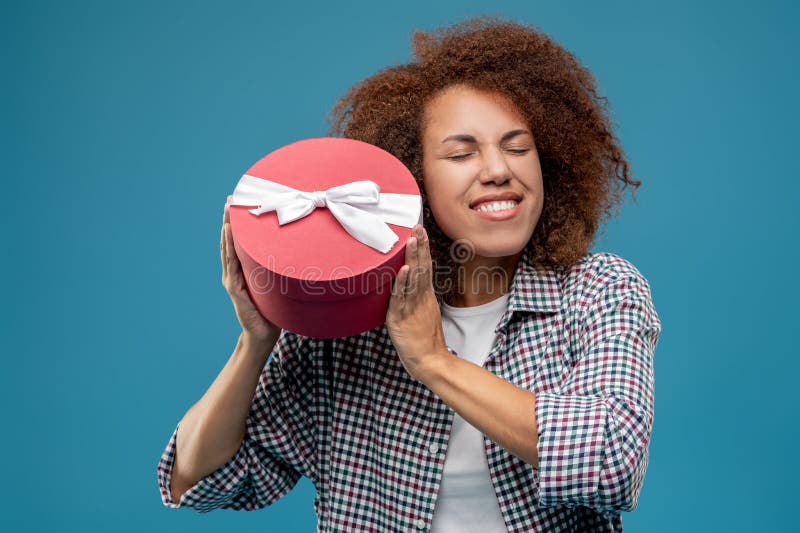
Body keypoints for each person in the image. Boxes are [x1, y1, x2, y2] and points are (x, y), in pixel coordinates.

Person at [157, 15, 662, 532]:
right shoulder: (350, 320)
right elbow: (198, 480)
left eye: (517, 147)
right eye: (461, 152)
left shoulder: (601, 290)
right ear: (414, 178)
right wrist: (255, 341)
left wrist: (433, 361)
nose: (497, 169)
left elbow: (611, 462)